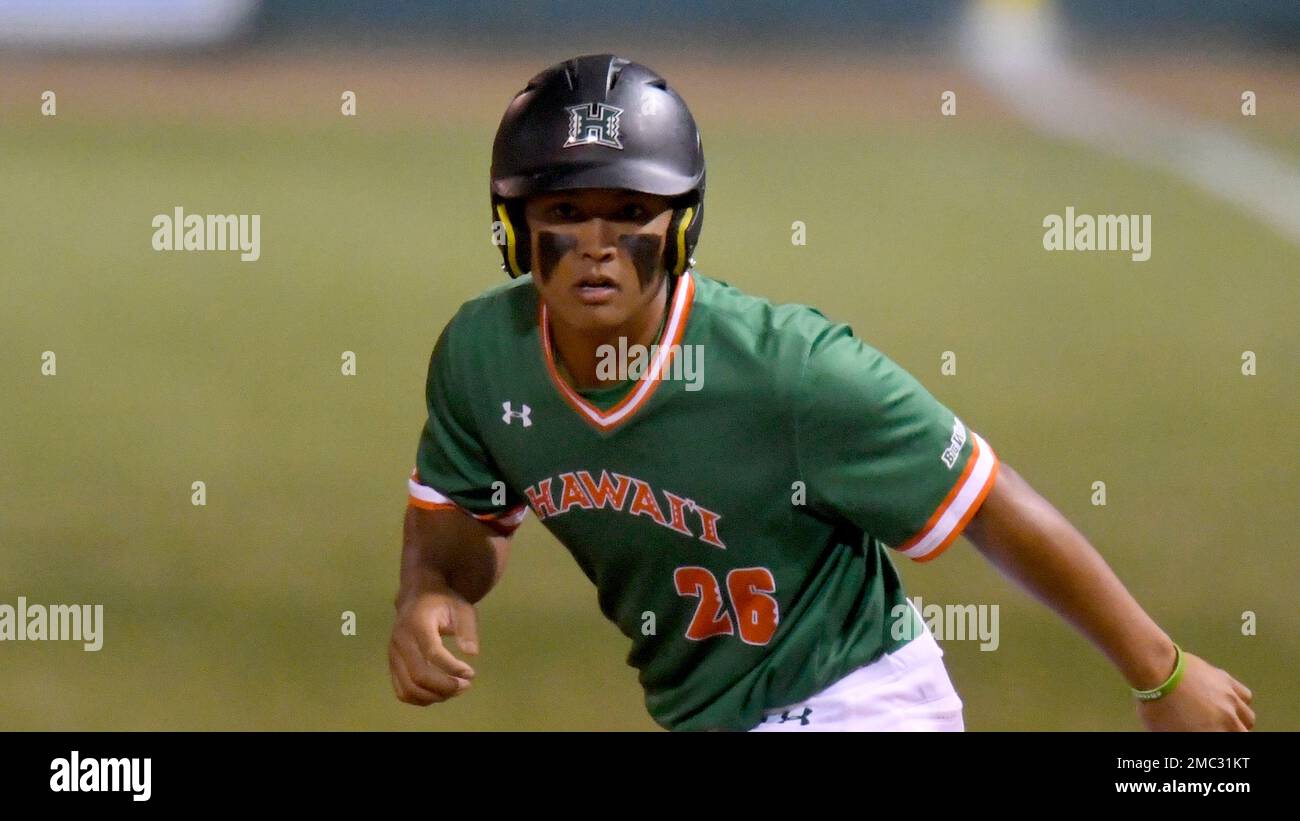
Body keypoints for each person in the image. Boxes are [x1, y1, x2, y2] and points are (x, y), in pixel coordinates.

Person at [388, 53, 1255, 731]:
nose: (597, 242)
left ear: (681, 226)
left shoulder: (788, 370)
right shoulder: (482, 358)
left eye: (632, 211)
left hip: (861, 701)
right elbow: (462, 522)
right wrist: (429, 590)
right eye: (564, 213)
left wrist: (1162, 672)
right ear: (513, 226)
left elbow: (987, 500)